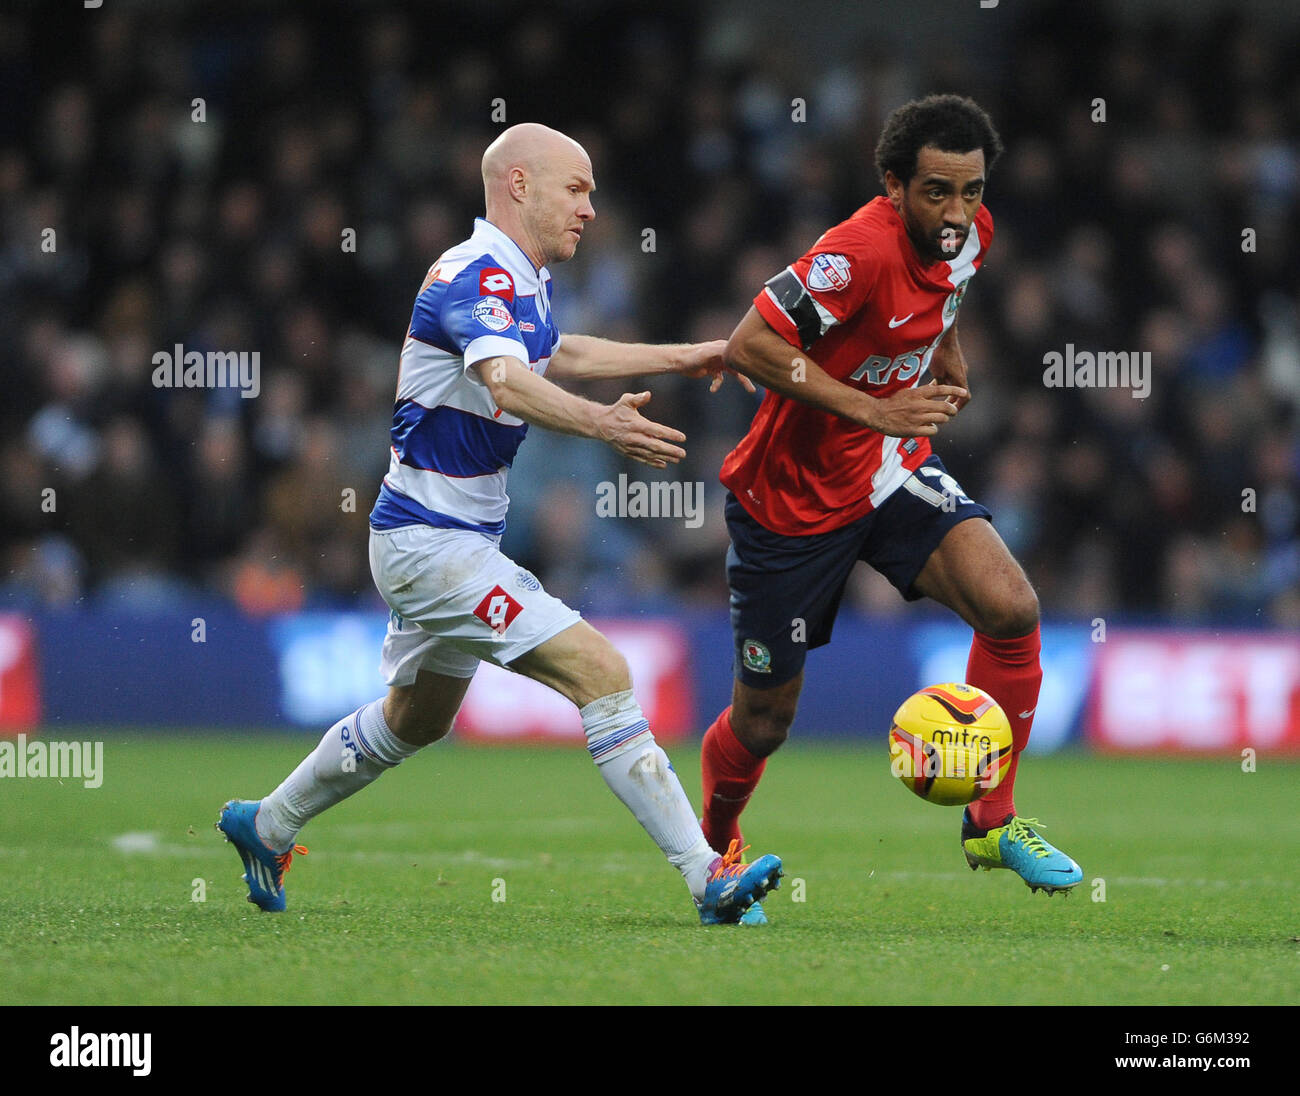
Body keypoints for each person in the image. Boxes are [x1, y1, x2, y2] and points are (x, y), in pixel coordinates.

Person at [217, 122, 781, 925]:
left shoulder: (520, 280)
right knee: (602, 672)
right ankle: (707, 877)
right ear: (520, 184)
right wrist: (602, 425)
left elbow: (559, 352)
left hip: (434, 540)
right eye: (576, 189)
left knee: (415, 719)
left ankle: (268, 823)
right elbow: (508, 381)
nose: (590, 209)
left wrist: (685, 354)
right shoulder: (474, 275)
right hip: (433, 545)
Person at [698, 96, 1082, 918]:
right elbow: (748, 346)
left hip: (887, 468)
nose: (956, 213)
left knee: (1011, 608)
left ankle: (991, 821)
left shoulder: (971, 236)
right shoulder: (855, 254)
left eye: (971, 191)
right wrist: (872, 407)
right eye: (936, 192)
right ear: (893, 185)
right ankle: (715, 849)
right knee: (763, 723)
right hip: (790, 502)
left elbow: (943, 295)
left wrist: (947, 350)